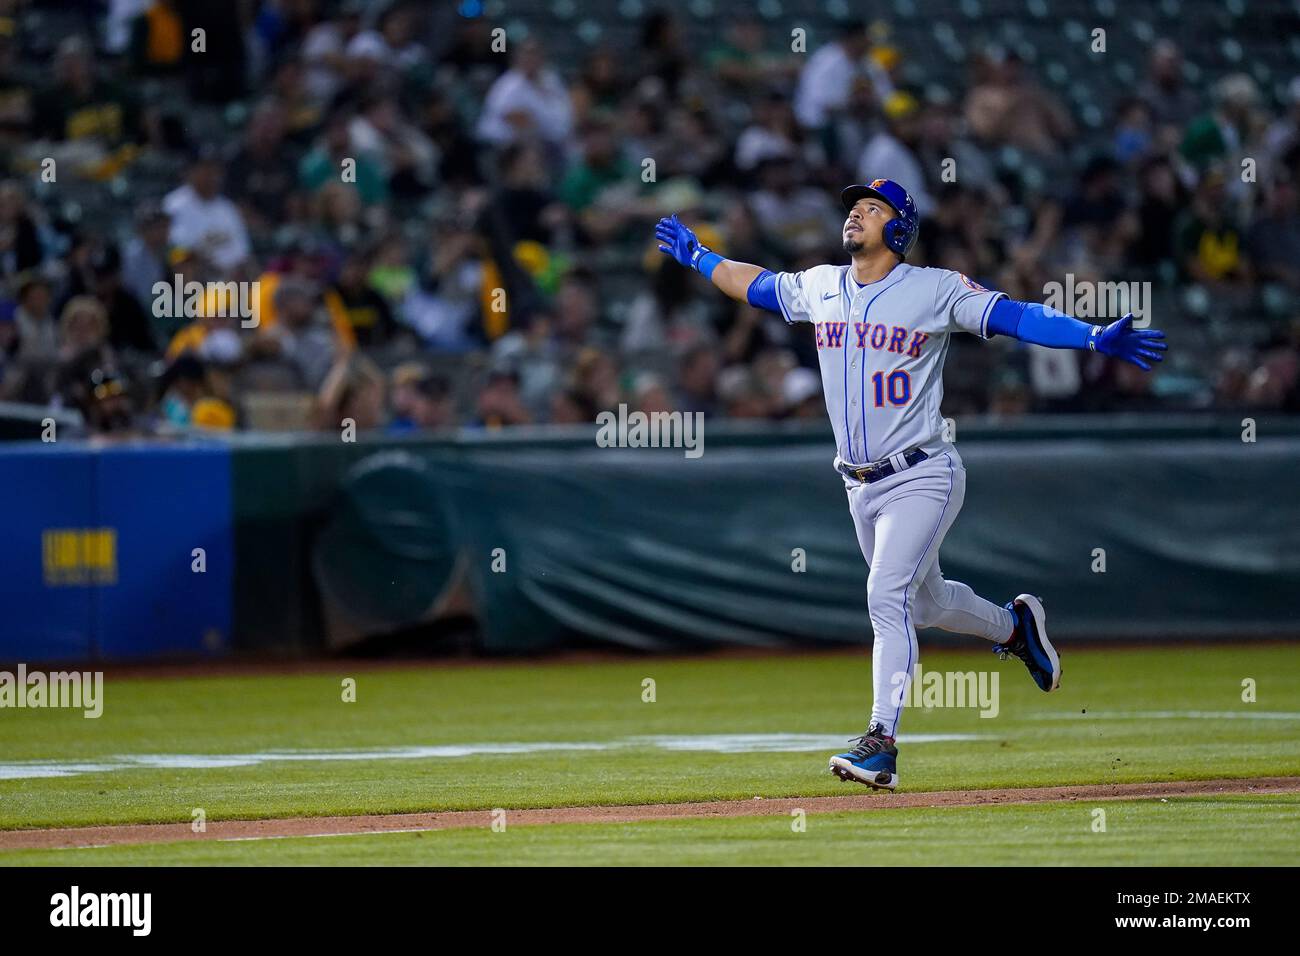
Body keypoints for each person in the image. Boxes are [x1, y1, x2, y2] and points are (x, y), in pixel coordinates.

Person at [654, 179, 1166, 790]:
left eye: (871, 208)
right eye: (853, 206)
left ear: (898, 229)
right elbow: (756, 284)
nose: (855, 213)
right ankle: (1014, 627)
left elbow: (1013, 314)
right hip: (858, 486)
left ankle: (881, 744)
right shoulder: (822, 285)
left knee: (885, 595)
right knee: (925, 603)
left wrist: (1087, 335)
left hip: (923, 472)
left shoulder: (933, 289)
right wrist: (699, 256)